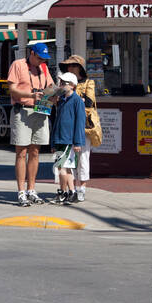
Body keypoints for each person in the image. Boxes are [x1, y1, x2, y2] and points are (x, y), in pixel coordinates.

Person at [7, 42, 54, 206]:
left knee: (35, 151)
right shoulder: (18, 65)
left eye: (44, 58)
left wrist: (55, 94)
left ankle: (31, 190)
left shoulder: (44, 68)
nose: (42, 61)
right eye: (40, 58)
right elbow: (12, 89)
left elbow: (50, 86)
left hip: (40, 111)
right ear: (32, 54)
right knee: (21, 152)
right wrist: (31, 95)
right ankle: (21, 192)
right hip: (23, 110)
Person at [53, 53, 96, 202]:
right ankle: (67, 189)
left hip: (83, 126)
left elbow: (89, 102)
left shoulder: (88, 83)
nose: (69, 68)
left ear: (79, 68)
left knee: (82, 158)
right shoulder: (62, 88)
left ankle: (81, 188)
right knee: (65, 162)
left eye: (72, 66)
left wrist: (73, 95)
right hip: (65, 130)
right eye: (67, 66)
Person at [50, 72, 86, 205]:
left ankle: (62, 192)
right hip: (60, 139)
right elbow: (57, 122)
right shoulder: (62, 101)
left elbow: (80, 123)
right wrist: (53, 141)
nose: (60, 85)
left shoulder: (77, 101)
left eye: (63, 83)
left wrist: (78, 142)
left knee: (62, 168)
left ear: (72, 85)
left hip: (68, 140)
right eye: (60, 83)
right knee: (66, 168)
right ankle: (72, 192)